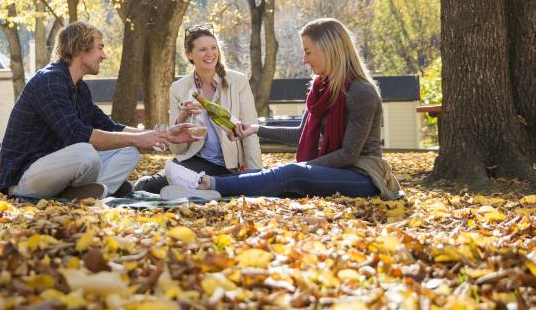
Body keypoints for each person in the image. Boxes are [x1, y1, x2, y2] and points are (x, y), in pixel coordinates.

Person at [165, 18, 403, 199]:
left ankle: (204, 186)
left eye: (308, 52)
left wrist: (301, 168)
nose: (304, 59)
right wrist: (256, 129)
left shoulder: (361, 92)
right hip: (334, 171)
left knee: (290, 173)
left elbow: (349, 155)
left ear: (329, 49)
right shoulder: (321, 89)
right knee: (253, 176)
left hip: (362, 176)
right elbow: (302, 133)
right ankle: (208, 186)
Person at [0, 21, 195, 200]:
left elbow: (109, 126)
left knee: (128, 151)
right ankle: (91, 190)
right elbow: (76, 134)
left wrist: (163, 135)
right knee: (85, 151)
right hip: (23, 178)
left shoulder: (79, 88)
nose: (104, 55)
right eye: (100, 48)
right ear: (80, 48)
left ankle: (89, 192)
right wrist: (138, 138)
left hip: (56, 169)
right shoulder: (49, 81)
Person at [133, 23, 261, 194]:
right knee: (149, 185)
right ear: (189, 54)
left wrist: (257, 176)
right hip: (195, 162)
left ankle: (201, 188)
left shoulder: (238, 82)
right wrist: (182, 118)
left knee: (224, 187)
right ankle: (199, 188)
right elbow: (177, 150)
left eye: (213, 48)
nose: (210, 54)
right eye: (202, 50)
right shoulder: (178, 88)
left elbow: (250, 132)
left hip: (231, 166)